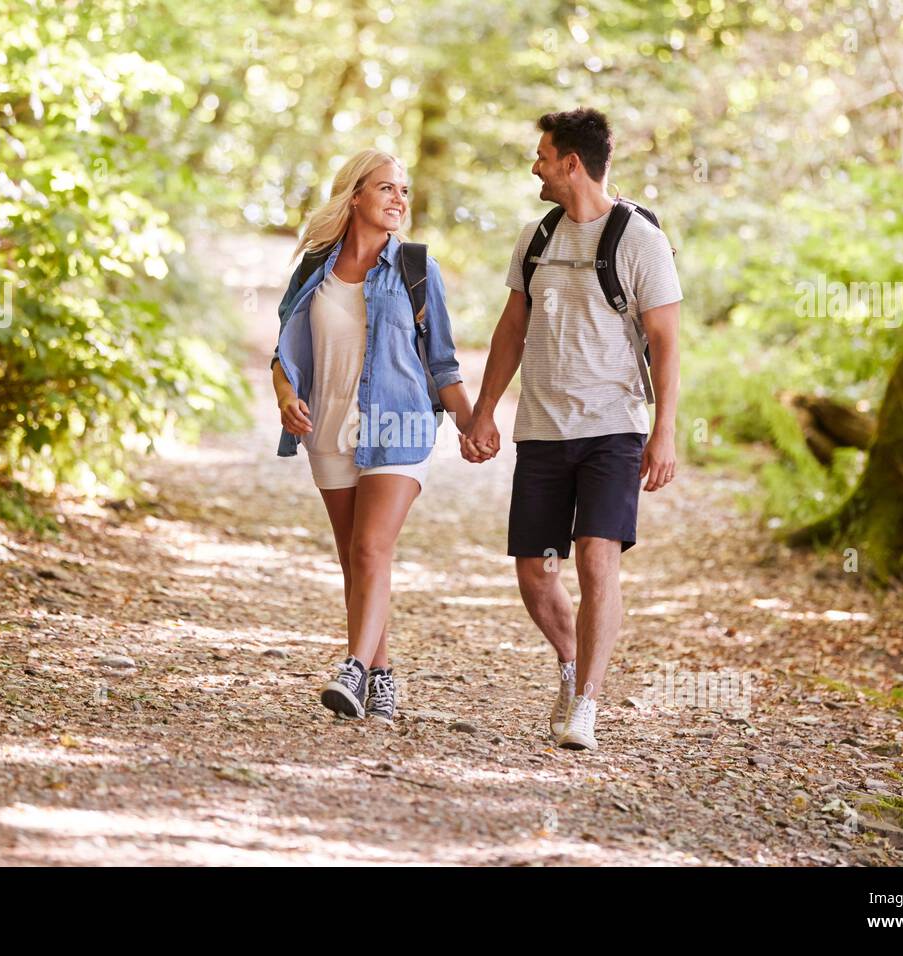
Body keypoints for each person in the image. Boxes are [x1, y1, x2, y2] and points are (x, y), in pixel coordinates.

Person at [462, 109, 683, 751]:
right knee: (534, 571)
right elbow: (511, 329)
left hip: (613, 427)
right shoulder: (537, 237)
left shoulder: (639, 238)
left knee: (595, 557)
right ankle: (569, 659)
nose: (534, 166)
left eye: (542, 155)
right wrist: (484, 412)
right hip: (542, 429)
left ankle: (587, 701)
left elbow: (666, 342)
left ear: (571, 164)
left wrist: (663, 433)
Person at [271, 149, 480, 723]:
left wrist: (471, 421)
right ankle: (383, 679)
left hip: (401, 424)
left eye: (404, 191)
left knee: (371, 550)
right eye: (387, 188)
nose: (398, 200)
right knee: (354, 561)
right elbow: (284, 354)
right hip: (329, 428)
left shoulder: (416, 268)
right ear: (355, 195)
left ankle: (354, 670)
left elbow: (441, 361)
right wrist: (287, 399)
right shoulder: (315, 265)